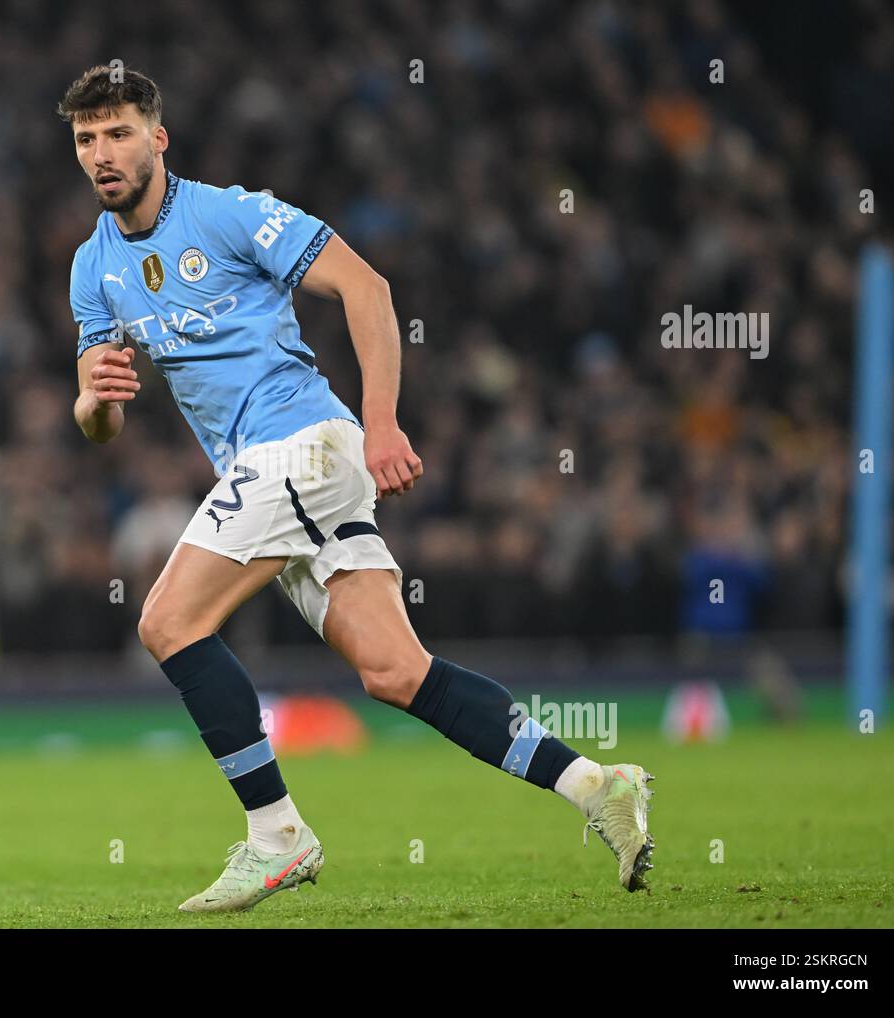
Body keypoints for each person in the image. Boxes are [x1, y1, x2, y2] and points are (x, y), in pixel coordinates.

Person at [61, 65, 654, 912]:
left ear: (158, 138)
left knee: (167, 621)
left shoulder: (228, 213)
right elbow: (99, 419)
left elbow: (365, 287)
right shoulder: (93, 267)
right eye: (86, 139)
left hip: (305, 447)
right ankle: (598, 786)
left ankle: (277, 837)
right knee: (395, 671)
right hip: (274, 471)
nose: (101, 153)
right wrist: (93, 401)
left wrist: (383, 425)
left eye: (118, 133)